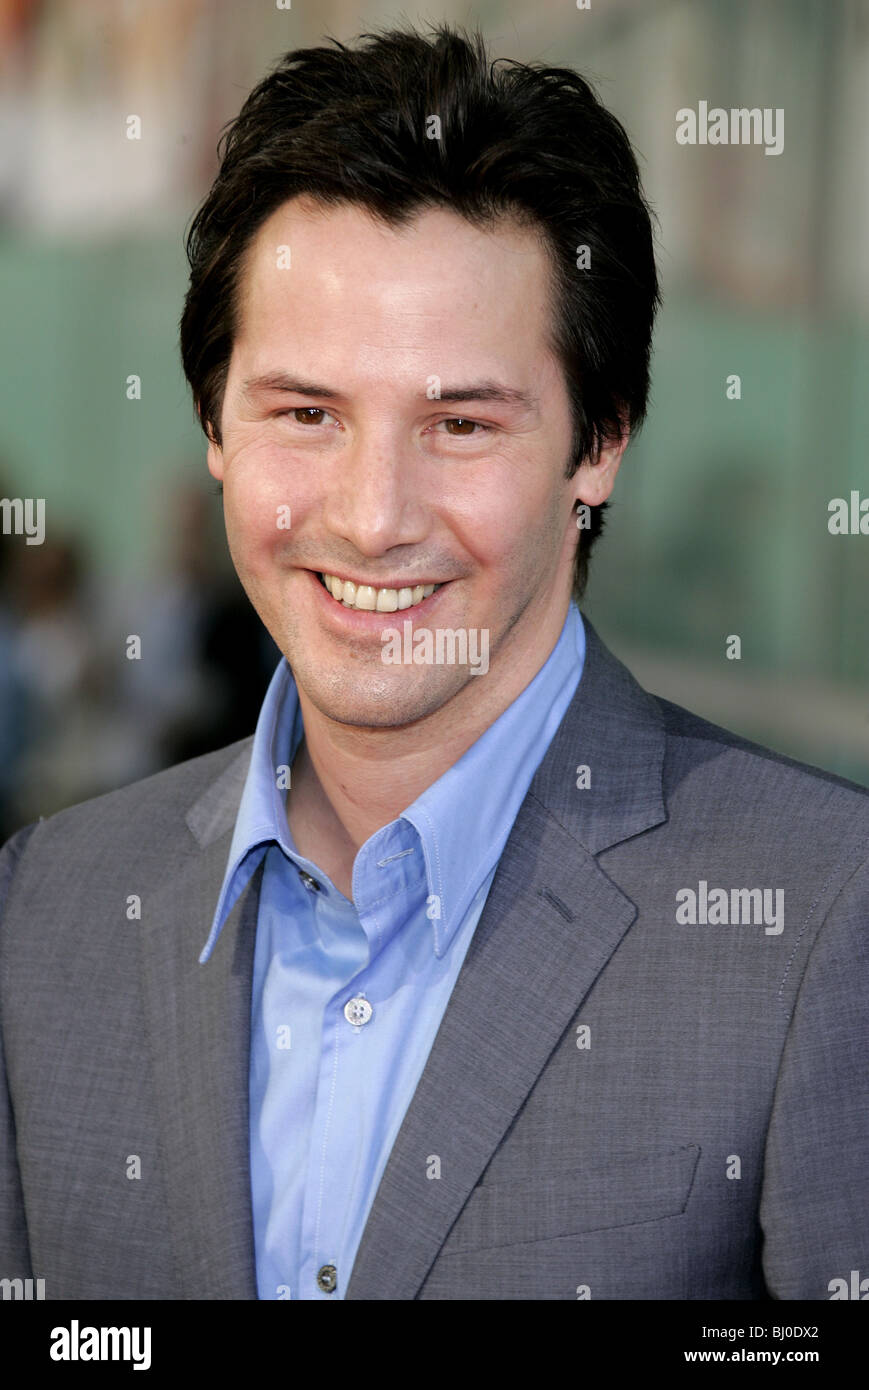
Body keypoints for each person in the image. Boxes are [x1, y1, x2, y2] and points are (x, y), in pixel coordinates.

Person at [1, 22, 867, 1302]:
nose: (371, 514)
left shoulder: (822, 922)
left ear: (600, 442)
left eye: (459, 423)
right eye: (306, 413)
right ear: (214, 428)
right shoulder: (44, 910)